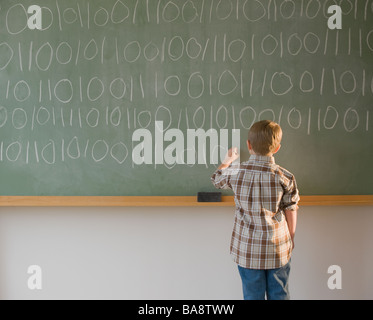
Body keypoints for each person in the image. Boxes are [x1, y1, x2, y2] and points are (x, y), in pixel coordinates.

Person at [211, 120, 300, 300]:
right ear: (277, 148)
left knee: (252, 295)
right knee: (280, 294)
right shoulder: (285, 177)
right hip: (278, 247)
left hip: (247, 249)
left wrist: (228, 160)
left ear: (248, 145)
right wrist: (291, 236)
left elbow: (217, 179)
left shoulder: (237, 172)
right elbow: (291, 208)